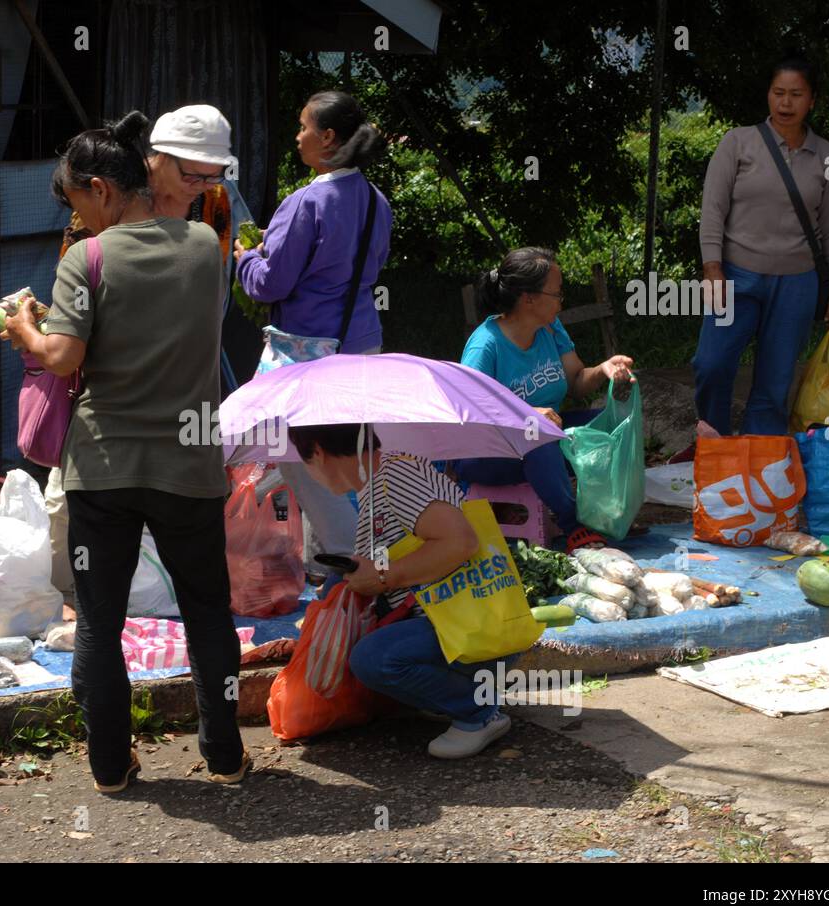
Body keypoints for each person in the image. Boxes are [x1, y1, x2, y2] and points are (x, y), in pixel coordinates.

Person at [0, 112, 248, 793]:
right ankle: (225, 754)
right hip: (189, 467)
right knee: (206, 612)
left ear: (102, 189)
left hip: (104, 468)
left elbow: (65, 355)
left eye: (78, 204)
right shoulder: (203, 245)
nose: (77, 221)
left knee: (99, 622)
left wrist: (26, 328)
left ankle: (112, 766)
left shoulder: (90, 258)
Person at [44, 104, 252, 619]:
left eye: (214, 173)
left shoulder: (214, 209)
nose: (202, 184)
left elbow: (217, 288)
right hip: (111, 401)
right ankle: (75, 600)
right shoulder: (96, 210)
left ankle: (152, 604)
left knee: (195, 548)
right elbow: (77, 311)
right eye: (191, 173)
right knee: (76, 521)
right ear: (153, 160)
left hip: (188, 379)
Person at [233, 90, 393, 575]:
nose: (297, 135)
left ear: (327, 137)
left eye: (303, 126)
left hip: (307, 354)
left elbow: (270, 283)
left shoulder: (305, 202)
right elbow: (370, 267)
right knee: (356, 456)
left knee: (302, 458)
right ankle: (368, 552)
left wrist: (245, 259)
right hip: (362, 343)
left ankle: (349, 561)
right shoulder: (375, 200)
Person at [287, 423, 516, 759]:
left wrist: (382, 576)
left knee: (372, 658)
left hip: (474, 627)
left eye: (305, 463)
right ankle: (450, 692)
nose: (310, 473)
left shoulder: (397, 477)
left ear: (318, 453)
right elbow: (396, 555)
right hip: (453, 623)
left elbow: (461, 542)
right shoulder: (376, 482)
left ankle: (478, 712)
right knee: (338, 592)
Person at [682, 52, 829, 447]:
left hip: (797, 284)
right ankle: (715, 446)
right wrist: (712, 269)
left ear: (812, 100)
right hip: (735, 277)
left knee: (774, 384)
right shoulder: (737, 142)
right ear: (768, 95)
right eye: (778, 93)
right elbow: (713, 210)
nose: (785, 103)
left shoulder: (827, 156)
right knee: (712, 365)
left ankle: (761, 471)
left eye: (796, 94)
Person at [458, 247, 636, 553]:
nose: (561, 300)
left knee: (613, 425)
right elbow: (466, 410)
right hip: (487, 454)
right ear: (529, 298)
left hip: (546, 436)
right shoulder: (486, 344)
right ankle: (573, 527)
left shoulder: (550, 328)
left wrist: (604, 370)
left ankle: (606, 513)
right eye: (556, 293)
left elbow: (577, 382)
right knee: (536, 434)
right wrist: (525, 412)